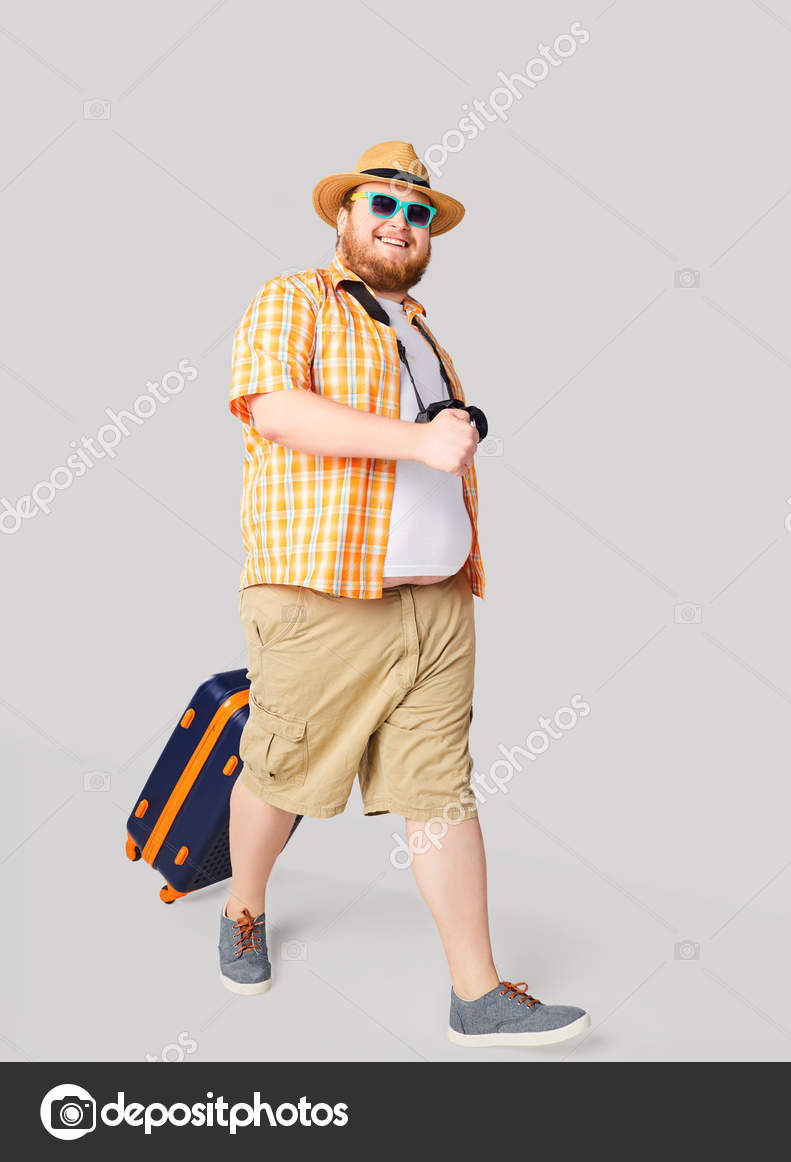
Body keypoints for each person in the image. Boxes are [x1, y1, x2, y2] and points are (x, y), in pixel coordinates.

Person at [219, 141, 587, 1047]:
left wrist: (447, 435)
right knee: (281, 769)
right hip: (323, 597)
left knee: (442, 791)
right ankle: (242, 910)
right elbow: (274, 409)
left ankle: (478, 994)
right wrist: (421, 441)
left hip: (440, 603)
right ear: (344, 215)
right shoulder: (295, 297)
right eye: (381, 203)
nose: (400, 222)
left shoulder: (422, 333)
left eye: (418, 212)